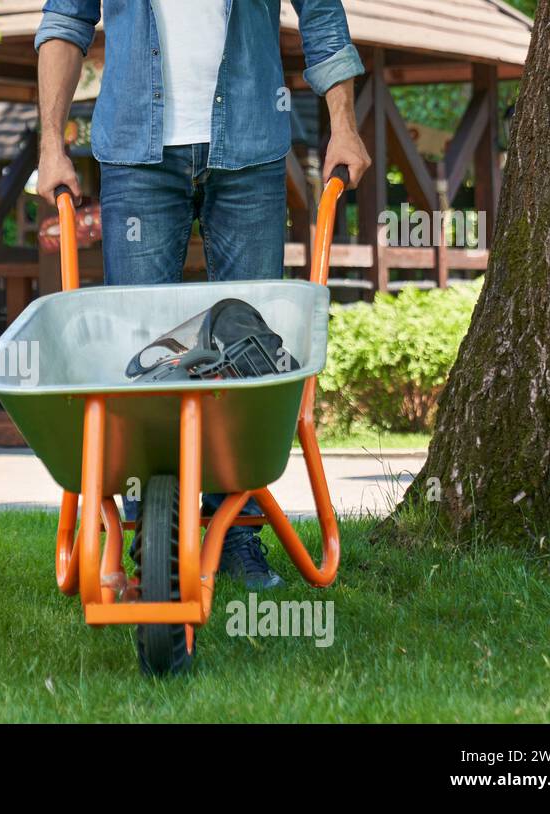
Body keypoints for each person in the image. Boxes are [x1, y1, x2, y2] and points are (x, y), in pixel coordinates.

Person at [35, 0, 372, 589]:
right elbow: (65, 20)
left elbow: (320, 12)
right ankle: (148, 536)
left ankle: (236, 531)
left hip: (249, 149)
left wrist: (344, 126)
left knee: (249, 351)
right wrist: (50, 145)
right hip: (136, 153)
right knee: (140, 359)